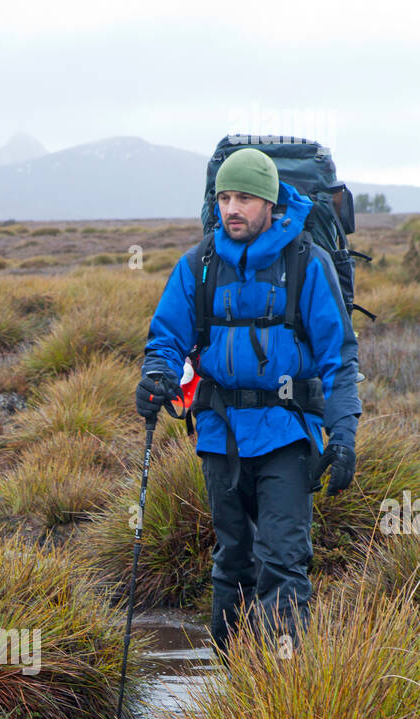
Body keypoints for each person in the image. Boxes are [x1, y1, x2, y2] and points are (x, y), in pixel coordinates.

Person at [136, 146, 361, 654]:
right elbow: (167, 338)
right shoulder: (198, 265)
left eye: (244, 198)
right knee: (233, 561)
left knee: (282, 560)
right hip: (221, 434)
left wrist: (343, 437)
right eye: (225, 197)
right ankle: (231, 697)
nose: (232, 208)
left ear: (270, 202)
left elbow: (339, 359)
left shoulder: (307, 261)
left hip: (288, 436)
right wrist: (156, 375)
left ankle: (281, 694)